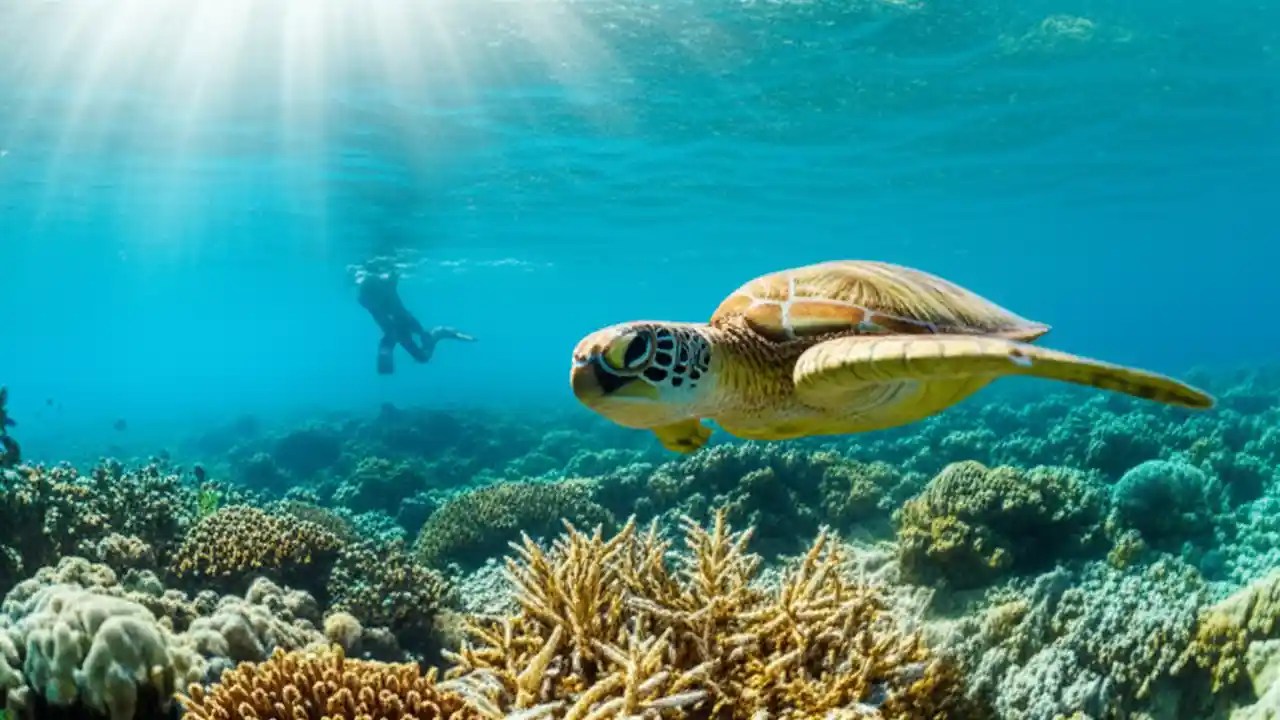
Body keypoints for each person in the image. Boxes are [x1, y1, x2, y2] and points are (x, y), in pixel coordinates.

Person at [355, 265, 475, 375]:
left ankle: (438, 333)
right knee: (421, 358)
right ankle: (435, 334)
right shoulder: (366, 299)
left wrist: (421, 332)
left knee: (422, 349)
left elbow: (394, 276)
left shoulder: (387, 289)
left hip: (403, 323)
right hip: (393, 329)